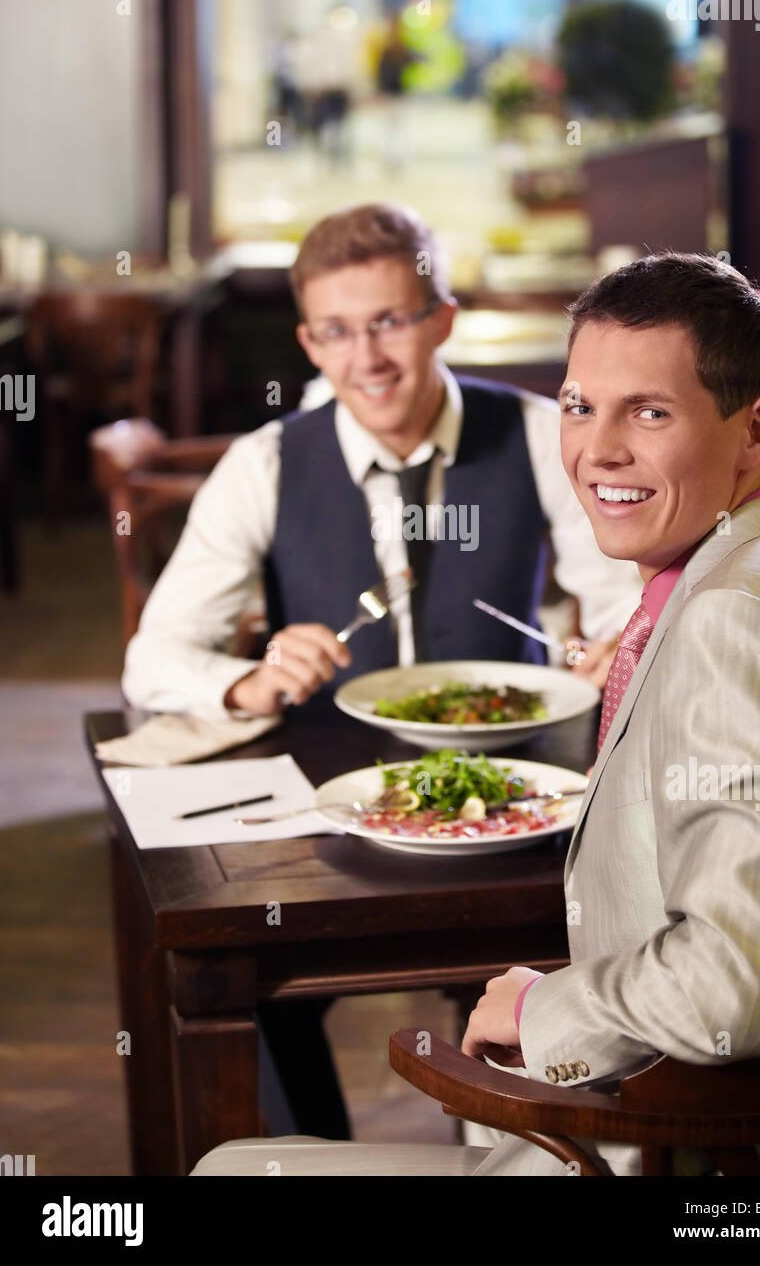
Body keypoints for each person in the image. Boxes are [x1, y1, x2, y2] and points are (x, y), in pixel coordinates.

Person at [190, 251, 760, 1176]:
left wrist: (547, 1011)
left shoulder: (733, 623)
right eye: (580, 406)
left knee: (231, 1168)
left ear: (757, 430)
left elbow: (741, 984)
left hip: (677, 1157)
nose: (598, 450)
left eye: (649, 412)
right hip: (674, 1122)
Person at [122, 202, 642, 1143]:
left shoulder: (538, 433)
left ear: (442, 319)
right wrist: (243, 682)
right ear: (308, 343)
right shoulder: (266, 462)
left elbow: (619, 603)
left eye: (390, 321)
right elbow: (153, 659)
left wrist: (619, 643)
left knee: (593, 958)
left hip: (521, 807)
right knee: (242, 996)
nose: (366, 357)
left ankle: (527, 1159)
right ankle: (306, 1169)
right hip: (331, 825)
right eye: (336, 330)